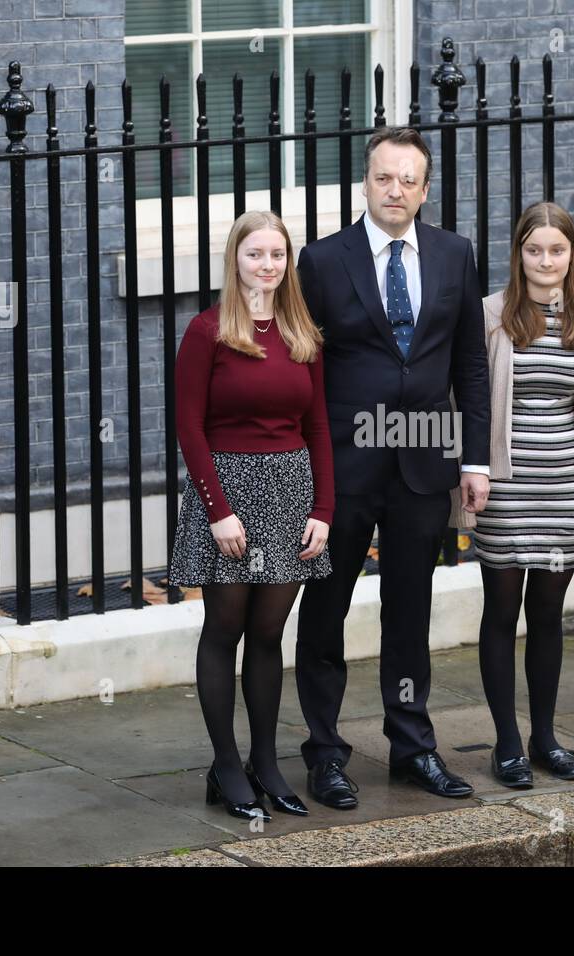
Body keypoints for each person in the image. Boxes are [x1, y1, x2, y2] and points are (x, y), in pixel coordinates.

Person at [293, 126, 491, 808]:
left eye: (409, 180)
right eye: (385, 177)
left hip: (424, 464)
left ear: (425, 188)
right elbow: (304, 369)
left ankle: (412, 747)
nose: (396, 190)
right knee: (325, 611)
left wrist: (476, 459)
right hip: (344, 467)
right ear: (366, 182)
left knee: (410, 614)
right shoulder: (322, 262)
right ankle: (325, 754)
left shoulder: (453, 254)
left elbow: (469, 361)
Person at [450, 201, 574, 788]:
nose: (545, 260)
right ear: (518, 253)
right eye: (534, 249)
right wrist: (465, 476)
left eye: (557, 249)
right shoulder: (490, 316)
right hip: (503, 487)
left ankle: (544, 737)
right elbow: (469, 401)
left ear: (572, 254)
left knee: (547, 615)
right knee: (502, 612)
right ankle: (506, 744)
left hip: (563, 487)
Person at [170, 210, 334, 822]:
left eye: (277, 254)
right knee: (225, 628)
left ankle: (266, 764)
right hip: (228, 493)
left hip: (290, 489)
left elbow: (317, 426)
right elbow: (189, 427)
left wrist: (323, 508)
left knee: (270, 634)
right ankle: (227, 765)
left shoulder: (301, 332)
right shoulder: (207, 332)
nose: (267, 265)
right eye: (255, 254)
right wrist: (218, 511)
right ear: (234, 260)